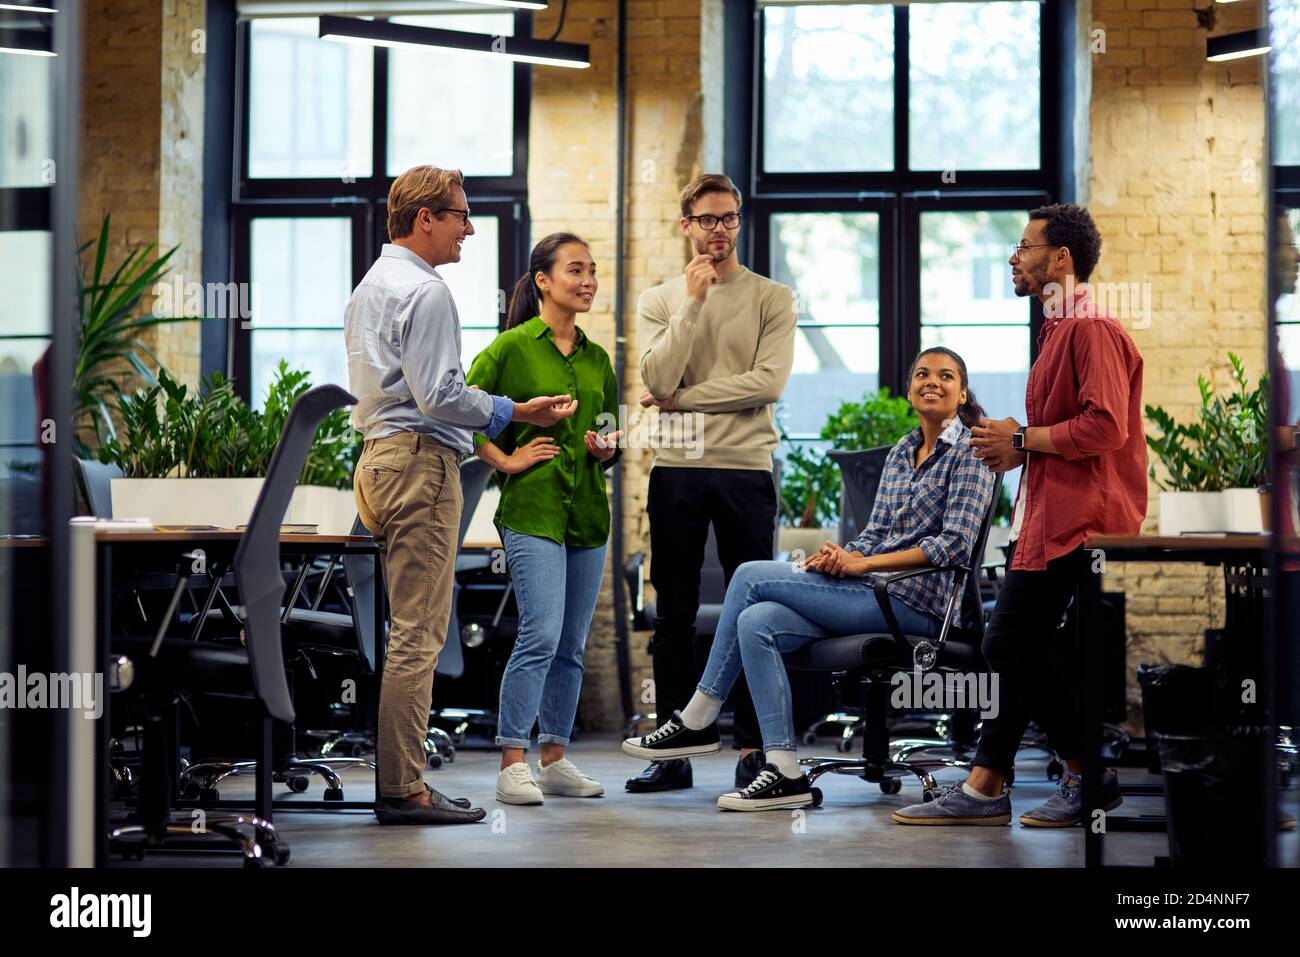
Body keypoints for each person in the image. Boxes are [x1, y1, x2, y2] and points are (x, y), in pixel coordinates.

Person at [623, 347, 996, 810]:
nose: (931, 382)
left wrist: (864, 566)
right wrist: (844, 555)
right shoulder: (903, 451)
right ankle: (784, 770)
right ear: (908, 389)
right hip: (869, 591)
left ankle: (698, 715)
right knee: (756, 620)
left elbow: (955, 546)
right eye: (921, 373)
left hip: (916, 607)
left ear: (962, 393)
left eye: (945, 376)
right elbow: (876, 533)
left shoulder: (972, 452)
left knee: (749, 575)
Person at [893, 203, 1146, 827]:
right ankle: (987, 786)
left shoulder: (1089, 328)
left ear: (1061, 259)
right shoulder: (1058, 330)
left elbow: (1107, 425)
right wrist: (1015, 448)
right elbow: (1059, 431)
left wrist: (1025, 439)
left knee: (1006, 642)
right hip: (1053, 514)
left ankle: (1087, 772)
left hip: (1083, 519)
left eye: (1025, 246)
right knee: (1022, 646)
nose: (1015, 257)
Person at [346, 165, 576, 825]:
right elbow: (440, 395)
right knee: (419, 633)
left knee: (405, 631)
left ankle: (399, 781)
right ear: (425, 218)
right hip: (420, 463)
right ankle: (405, 788)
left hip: (378, 462)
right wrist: (517, 409)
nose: (470, 228)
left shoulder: (370, 285)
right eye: (460, 215)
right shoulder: (428, 291)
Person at [627, 173, 797, 793]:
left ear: (738, 222)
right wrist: (693, 303)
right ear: (687, 226)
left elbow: (767, 383)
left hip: (746, 469)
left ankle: (755, 748)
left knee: (753, 608)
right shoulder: (661, 298)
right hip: (675, 471)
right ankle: (674, 750)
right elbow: (655, 374)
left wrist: (685, 399)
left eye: (728, 218)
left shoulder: (772, 297)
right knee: (671, 612)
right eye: (707, 219)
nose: (719, 229)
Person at [465, 233, 622, 805]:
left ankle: (554, 756)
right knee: (540, 633)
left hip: (587, 514)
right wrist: (506, 458)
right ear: (543, 281)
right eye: (575, 270)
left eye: (592, 271)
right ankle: (512, 761)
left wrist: (606, 446)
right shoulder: (509, 349)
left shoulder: (598, 358)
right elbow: (463, 415)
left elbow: (610, 429)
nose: (587, 281)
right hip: (531, 512)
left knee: (572, 643)